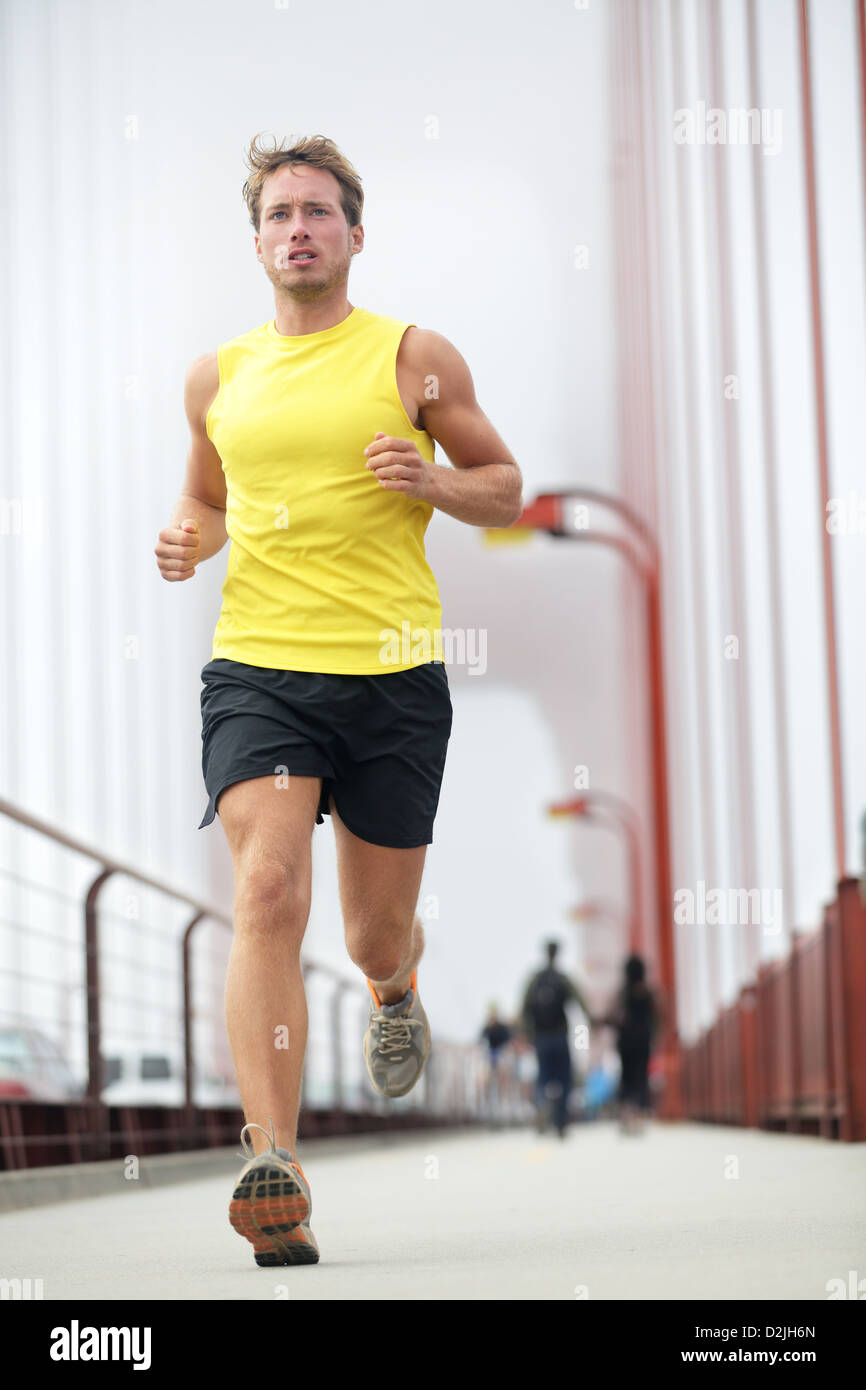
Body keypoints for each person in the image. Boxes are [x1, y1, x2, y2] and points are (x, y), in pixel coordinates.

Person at [153, 133, 523, 1266]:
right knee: (266, 891)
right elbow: (206, 496)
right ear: (257, 238)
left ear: (354, 235)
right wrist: (187, 537)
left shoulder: (414, 358)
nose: (298, 229)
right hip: (260, 667)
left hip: (393, 675)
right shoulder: (218, 377)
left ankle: (393, 982)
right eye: (279, 214)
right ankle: (276, 1165)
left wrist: (433, 480)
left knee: (367, 929)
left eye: (318, 211)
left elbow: (505, 488)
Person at [519, 941, 591, 1138]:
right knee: (564, 1079)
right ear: (557, 954)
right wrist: (591, 1021)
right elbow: (580, 1002)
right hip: (560, 1037)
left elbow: (524, 1009)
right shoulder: (563, 979)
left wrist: (525, 1034)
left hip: (541, 1039)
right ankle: (560, 1122)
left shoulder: (535, 980)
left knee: (543, 1077)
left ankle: (543, 1107)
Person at [600, 955, 661, 1135]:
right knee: (641, 1078)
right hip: (643, 1042)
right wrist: (653, 1036)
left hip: (625, 1044)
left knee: (626, 1079)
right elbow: (657, 1018)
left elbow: (610, 1017)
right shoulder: (649, 993)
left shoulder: (621, 994)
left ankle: (627, 1115)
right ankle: (640, 1116)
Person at [479, 1004, 512, 1123]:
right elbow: (481, 1041)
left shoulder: (503, 1028)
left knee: (502, 1080)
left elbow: (508, 1043)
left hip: (500, 1055)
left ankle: (502, 1106)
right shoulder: (486, 1028)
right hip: (489, 1056)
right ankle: (487, 1106)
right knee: (486, 1080)